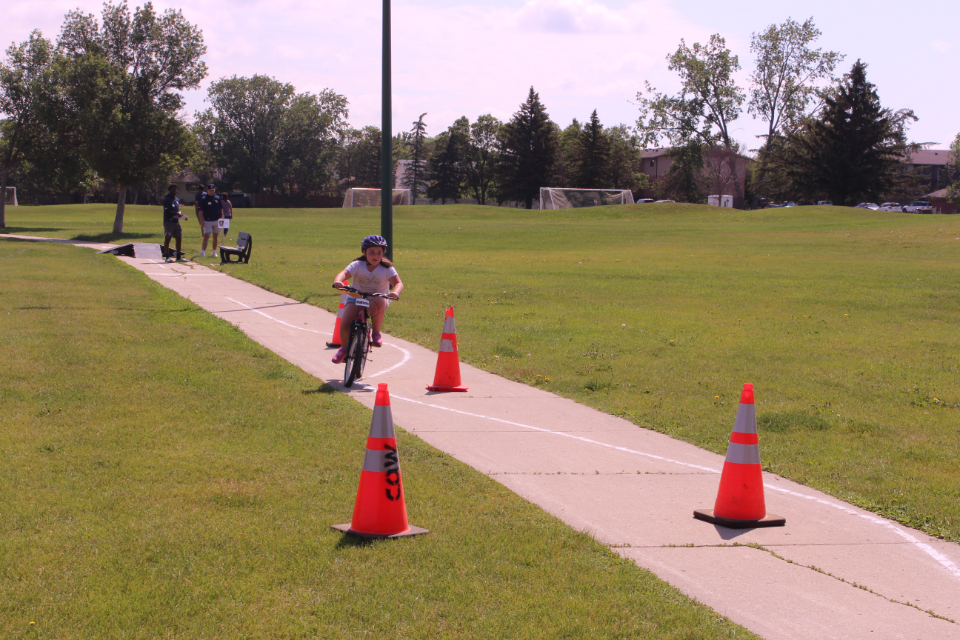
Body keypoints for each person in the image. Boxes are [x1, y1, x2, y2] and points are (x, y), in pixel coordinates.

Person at [330, 235, 403, 363]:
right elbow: (344, 273)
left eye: (379, 253)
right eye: (371, 252)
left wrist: (395, 293)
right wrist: (338, 281)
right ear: (364, 252)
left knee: (380, 301)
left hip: (376, 299)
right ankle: (344, 348)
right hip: (356, 297)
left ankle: (376, 332)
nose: (375, 256)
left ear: (383, 253)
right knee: (345, 323)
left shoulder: (387, 269)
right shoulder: (358, 265)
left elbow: (398, 283)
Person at [195, 183, 223, 257]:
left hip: (216, 220)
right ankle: (203, 252)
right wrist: (201, 220)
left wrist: (221, 218)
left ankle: (214, 252)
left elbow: (221, 209)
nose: (211, 191)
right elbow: (200, 211)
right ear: (207, 190)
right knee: (206, 236)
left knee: (215, 236)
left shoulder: (217, 198)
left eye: (213, 190)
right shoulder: (204, 199)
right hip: (207, 220)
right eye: (210, 190)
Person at [162, 184, 188, 263]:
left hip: (176, 222)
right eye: (173, 189)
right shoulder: (167, 199)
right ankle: (167, 257)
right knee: (168, 238)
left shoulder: (176, 199)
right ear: (170, 190)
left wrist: (182, 216)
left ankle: (178, 257)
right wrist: (176, 213)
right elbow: (167, 211)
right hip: (168, 222)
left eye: (176, 189)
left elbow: (177, 211)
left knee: (179, 238)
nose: (175, 190)